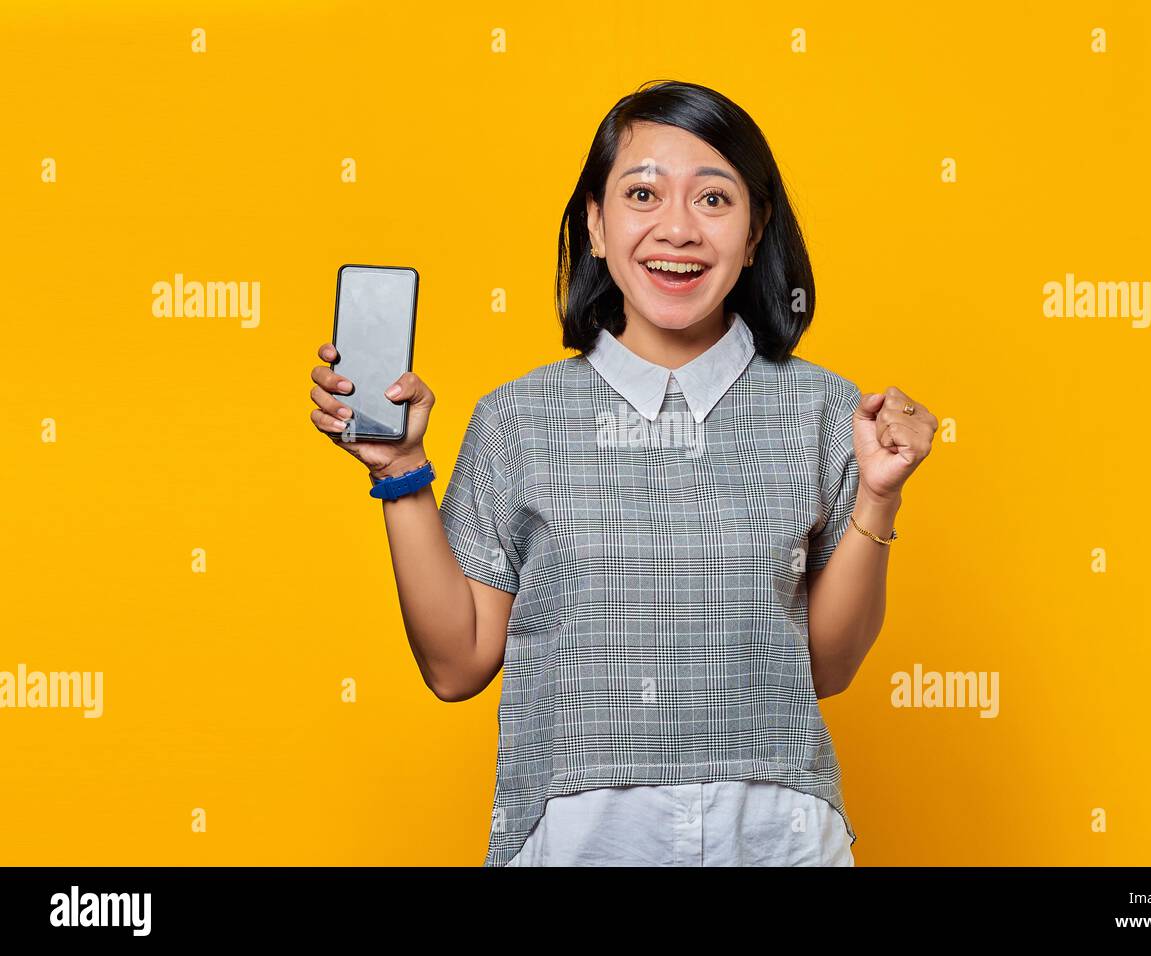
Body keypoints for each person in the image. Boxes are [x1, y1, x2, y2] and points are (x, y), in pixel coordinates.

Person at [309, 79, 939, 867]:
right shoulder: (518, 417)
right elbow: (456, 662)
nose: (676, 228)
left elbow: (827, 666)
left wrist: (880, 492)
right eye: (642, 194)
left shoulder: (826, 409)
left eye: (714, 199)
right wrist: (401, 470)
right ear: (598, 227)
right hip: (579, 841)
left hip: (775, 837)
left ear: (754, 233)